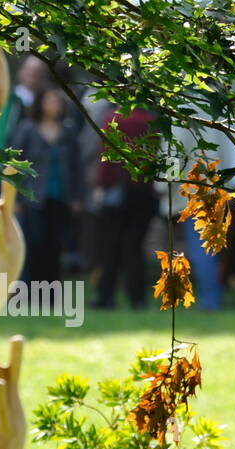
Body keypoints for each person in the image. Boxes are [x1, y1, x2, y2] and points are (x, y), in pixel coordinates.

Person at [11, 88, 85, 283]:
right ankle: (31, 291)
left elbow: (76, 166)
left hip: (61, 196)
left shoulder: (68, 130)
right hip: (33, 197)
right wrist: (16, 198)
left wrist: (77, 197)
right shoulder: (28, 128)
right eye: (49, 100)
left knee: (56, 245)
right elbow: (16, 164)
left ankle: (52, 293)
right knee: (35, 243)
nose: (53, 105)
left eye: (57, 101)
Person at [93, 106, 158, 309]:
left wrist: (102, 184)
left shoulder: (113, 119)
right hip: (144, 189)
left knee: (111, 246)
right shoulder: (151, 121)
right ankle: (137, 298)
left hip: (118, 188)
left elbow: (107, 156)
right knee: (135, 246)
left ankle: (106, 296)